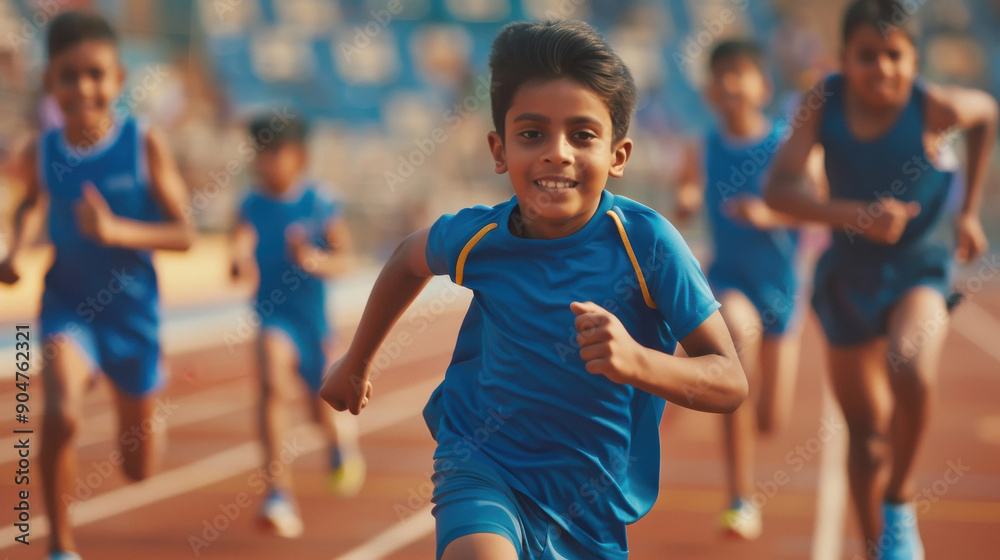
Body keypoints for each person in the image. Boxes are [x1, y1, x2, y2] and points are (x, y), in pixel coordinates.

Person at [321, 20, 749, 560]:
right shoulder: (480, 235)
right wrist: (357, 362)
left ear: (619, 155)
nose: (557, 152)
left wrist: (637, 362)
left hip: (590, 508)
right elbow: (409, 257)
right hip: (481, 462)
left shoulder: (649, 244)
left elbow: (729, 379)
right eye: (532, 134)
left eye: (583, 135)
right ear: (499, 151)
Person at [764, 1, 997, 558]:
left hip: (920, 269)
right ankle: (876, 546)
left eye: (895, 56)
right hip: (847, 279)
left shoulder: (933, 105)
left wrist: (969, 212)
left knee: (912, 366)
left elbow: (986, 111)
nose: (882, 69)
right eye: (866, 56)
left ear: (915, 59)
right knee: (865, 439)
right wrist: (856, 215)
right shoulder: (824, 104)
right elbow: (779, 191)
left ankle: (900, 497)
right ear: (844, 58)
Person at [0, 11, 196, 560]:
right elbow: (34, 205)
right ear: (49, 83)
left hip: (132, 316)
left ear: (118, 80)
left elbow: (185, 233)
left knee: (139, 470)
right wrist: (15, 251)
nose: (82, 88)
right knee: (59, 411)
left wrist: (117, 230)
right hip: (66, 304)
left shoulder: (143, 144)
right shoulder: (42, 150)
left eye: (95, 74)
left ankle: (144, 395)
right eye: (68, 75)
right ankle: (60, 546)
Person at [675, 39, 811, 540]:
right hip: (729, 281)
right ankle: (740, 498)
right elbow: (686, 187)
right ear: (710, 89)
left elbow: (816, 209)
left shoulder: (786, 145)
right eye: (721, 74)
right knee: (736, 339)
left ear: (763, 85)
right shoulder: (702, 145)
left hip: (782, 289)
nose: (731, 83)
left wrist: (769, 214)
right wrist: (686, 198)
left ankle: (719, 399)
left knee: (770, 417)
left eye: (742, 72)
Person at [230, 114, 364, 539]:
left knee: (318, 410)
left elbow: (346, 260)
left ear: (298, 156)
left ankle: (340, 442)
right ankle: (277, 493)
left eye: (275, 152)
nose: (265, 162)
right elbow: (238, 244)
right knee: (270, 382)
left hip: (314, 325)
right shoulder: (249, 203)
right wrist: (238, 260)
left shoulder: (320, 202)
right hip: (274, 318)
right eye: (260, 153)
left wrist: (313, 260)